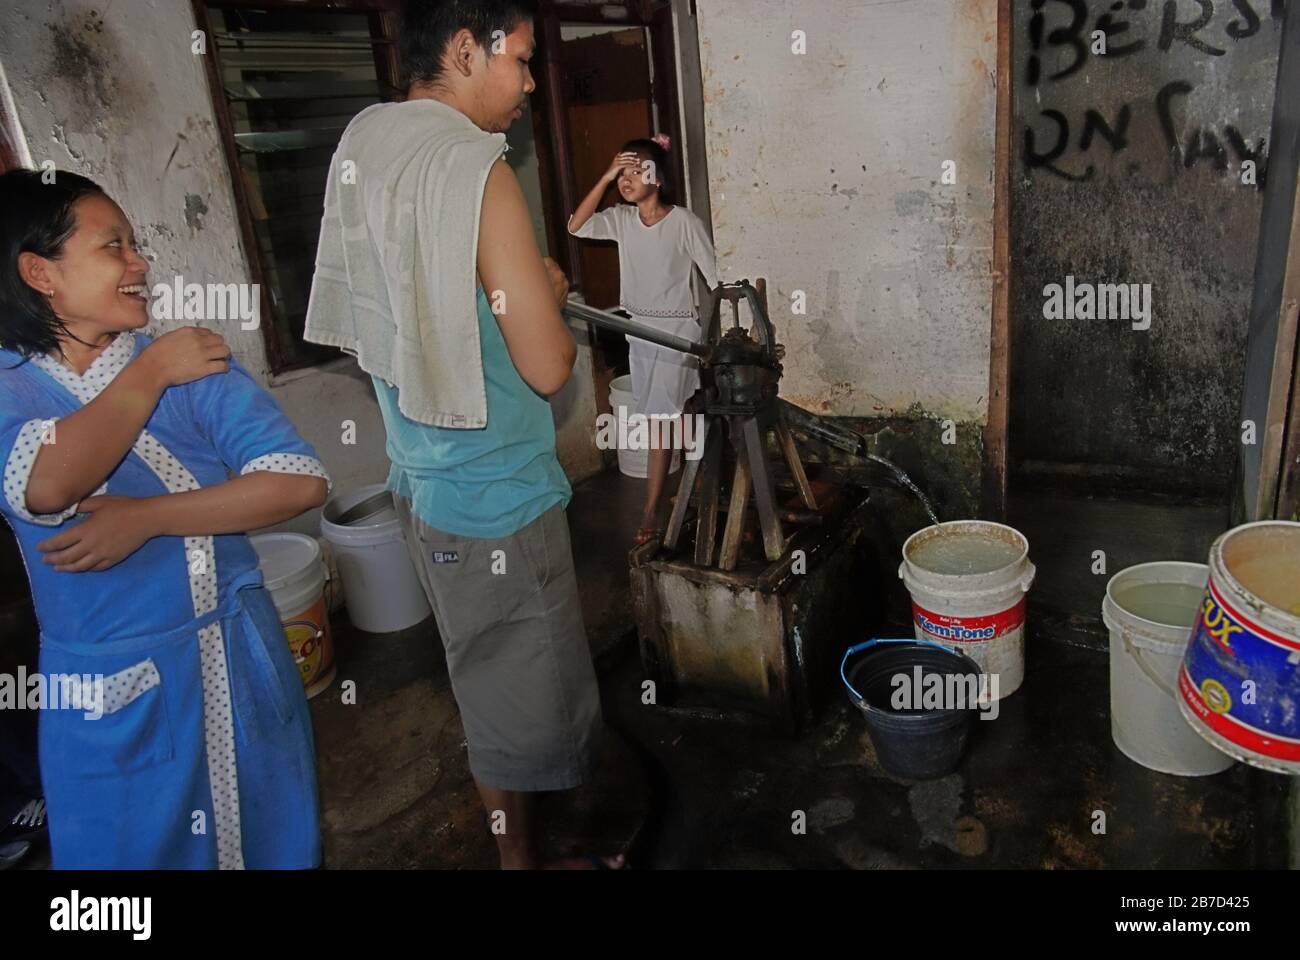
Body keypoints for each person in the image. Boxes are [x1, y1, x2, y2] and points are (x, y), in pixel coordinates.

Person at [305, 0, 620, 870]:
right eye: (518, 58)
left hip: (421, 478)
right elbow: (550, 366)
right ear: (461, 50)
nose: (526, 81)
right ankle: (527, 862)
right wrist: (546, 295)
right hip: (498, 495)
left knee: (483, 680)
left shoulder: (367, 143)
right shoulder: (477, 170)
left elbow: (413, 296)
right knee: (525, 696)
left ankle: (519, 854)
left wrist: (509, 294)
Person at [0, 168, 329, 869]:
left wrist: (146, 518)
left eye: (136, 243)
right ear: (39, 272)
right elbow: (49, 482)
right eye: (112, 246)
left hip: (237, 659)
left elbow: (296, 484)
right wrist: (147, 377)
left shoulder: (194, 365)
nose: (139, 262)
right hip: (114, 698)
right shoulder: (16, 388)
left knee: (274, 835)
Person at [569, 135, 718, 545]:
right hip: (640, 333)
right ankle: (694, 477)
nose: (627, 180)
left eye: (637, 171)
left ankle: (653, 508)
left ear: (659, 177)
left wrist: (713, 336)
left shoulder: (684, 222)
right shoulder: (619, 219)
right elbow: (576, 225)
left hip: (677, 334)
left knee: (661, 420)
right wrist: (604, 178)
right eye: (623, 173)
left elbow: (715, 278)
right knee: (670, 412)